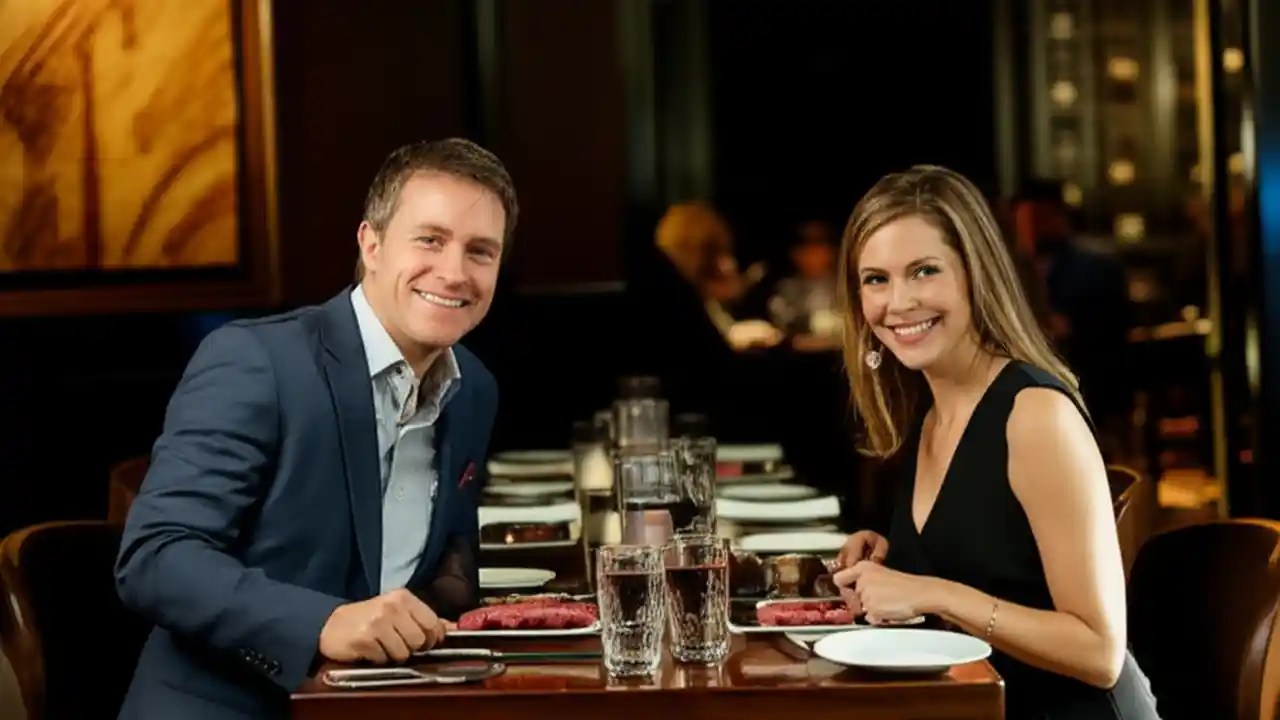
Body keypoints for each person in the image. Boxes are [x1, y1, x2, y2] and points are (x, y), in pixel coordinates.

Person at [114, 138, 515, 718]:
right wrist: (322, 622)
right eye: (430, 240)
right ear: (371, 245)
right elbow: (155, 558)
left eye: (481, 252)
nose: (454, 273)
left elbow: (443, 558)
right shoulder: (257, 362)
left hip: (378, 703)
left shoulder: (474, 387)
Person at [830, 166, 1160, 719]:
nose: (899, 302)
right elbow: (996, 560)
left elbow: (1100, 651)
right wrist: (901, 558)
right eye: (876, 279)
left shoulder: (1034, 414)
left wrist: (932, 591)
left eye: (924, 271)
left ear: (975, 276)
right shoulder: (934, 410)